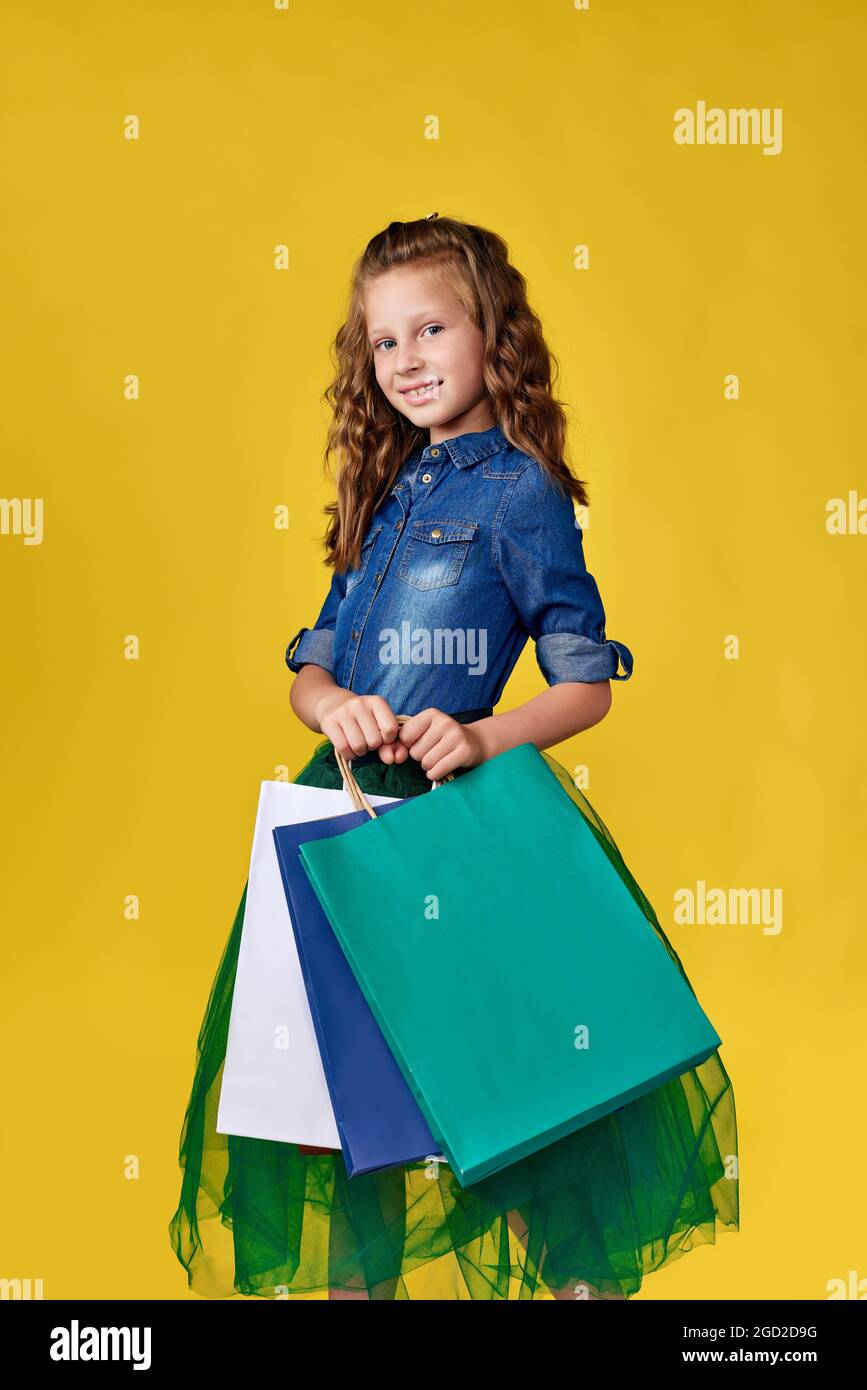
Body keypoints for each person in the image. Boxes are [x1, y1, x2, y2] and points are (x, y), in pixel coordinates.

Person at [169, 213, 739, 1300]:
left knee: (504, 1074)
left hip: (453, 817)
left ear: (493, 334)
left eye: (431, 329)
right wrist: (331, 703)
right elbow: (312, 664)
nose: (407, 360)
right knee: (344, 1100)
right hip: (339, 818)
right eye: (384, 342)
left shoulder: (520, 494)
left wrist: (479, 735)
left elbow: (585, 684)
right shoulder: (385, 492)